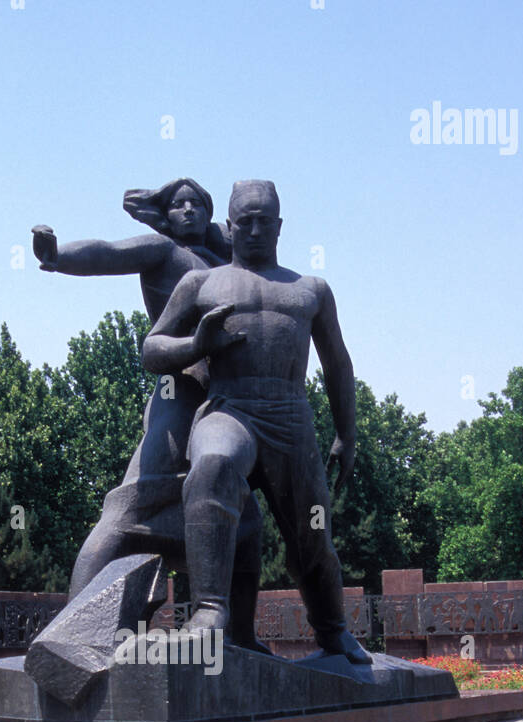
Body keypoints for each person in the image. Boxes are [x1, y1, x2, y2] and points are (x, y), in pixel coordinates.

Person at [31, 178, 267, 650]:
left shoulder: (225, 262)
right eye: (177, 204)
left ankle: (239, 634)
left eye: (197, 204)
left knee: (246, 521)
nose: (187, 211)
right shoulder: (163, 251)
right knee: (131, 507)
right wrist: (58, 256)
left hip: (222, 403)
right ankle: (70, 630)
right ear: (164, 214)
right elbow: (107, 253)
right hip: (177, 393)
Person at [142, 179, 369, 663]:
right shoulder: (199, 284)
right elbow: (152, 347)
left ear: (281, 226)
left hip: (291, 418)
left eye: (265, 219)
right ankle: (208, 612)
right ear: (229, 226)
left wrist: (346, 435)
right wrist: (196, 347)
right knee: (214, 465)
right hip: (230, 407)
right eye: (244, 220)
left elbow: (338, 364)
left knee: (313, 535)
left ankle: (333, 630)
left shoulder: (311, 289)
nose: (255, 228)